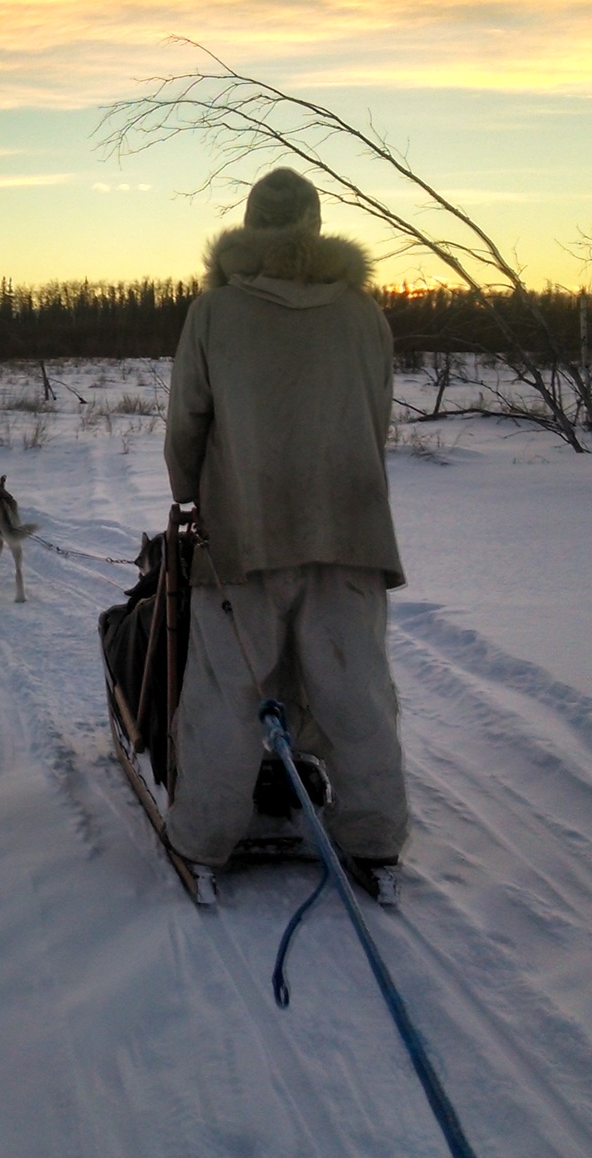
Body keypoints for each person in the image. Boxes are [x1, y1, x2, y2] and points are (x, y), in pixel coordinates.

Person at [162, 167, 409, 903]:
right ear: (315, 224)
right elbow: (377, 417)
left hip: (242, 533)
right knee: (356, 692)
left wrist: (187, 492)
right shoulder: (365, 315)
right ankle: (373, 837)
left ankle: (204, 839)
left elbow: (187, 422)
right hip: (351, 533)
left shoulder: (215, 313)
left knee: (225, 694)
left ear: (249, 225)